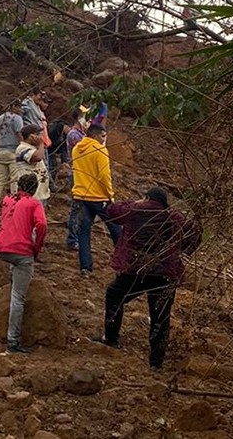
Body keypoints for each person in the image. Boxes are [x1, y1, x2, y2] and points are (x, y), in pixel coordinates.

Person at [95, 188, 202, 369]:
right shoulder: (174, 216)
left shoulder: (136, 210)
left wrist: (135, 202)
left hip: (134, 270)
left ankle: (111, 338)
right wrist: (182, 250)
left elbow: (112, 210)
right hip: (164, 274)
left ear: (146, 198)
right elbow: (194, 234)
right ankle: (156, 362)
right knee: (160, 316)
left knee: (114, 296)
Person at [0, 173, 47, 355]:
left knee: (15, 271)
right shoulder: (33, 203)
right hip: (21, 251)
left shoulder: (8, 199)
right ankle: (12, 342)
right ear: (34, 188)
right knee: (18, 297)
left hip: (1, 247)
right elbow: (42, 225)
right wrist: (36, 248)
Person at [71, 124, 120, 275]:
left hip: (80, 196)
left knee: (84, 233)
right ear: (96, 136)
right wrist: (110, 195)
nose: (104, 140)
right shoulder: (100, 150)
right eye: (103, 136)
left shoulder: (76, 149)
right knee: (117, 230)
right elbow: (104, 175)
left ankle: (85, 267)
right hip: (100, 198)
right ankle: (123, 263)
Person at [0, 100, 24, 209]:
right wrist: (23, 146)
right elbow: (19, 133)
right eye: (19, 107)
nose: (20, 110)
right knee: (15, 178)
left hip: (1, 151)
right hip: (13, 151)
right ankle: (14, 202)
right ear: (14, 106)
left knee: (0, 178)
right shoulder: (17, 119)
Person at [64, 107, 90, 251]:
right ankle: (72, 239)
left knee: (83, 207)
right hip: (77, 173)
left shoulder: (82, 134)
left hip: (83, 173)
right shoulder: (74, 135)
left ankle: (78, 237)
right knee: (77, 207)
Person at [14, 124, 49, 208]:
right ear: (31, 136)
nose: (41, 136)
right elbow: (37, 157)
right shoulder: (22, 148)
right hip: (31, 192)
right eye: (38, 134)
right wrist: (41, 144)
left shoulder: (31, 148)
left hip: (39, 191)